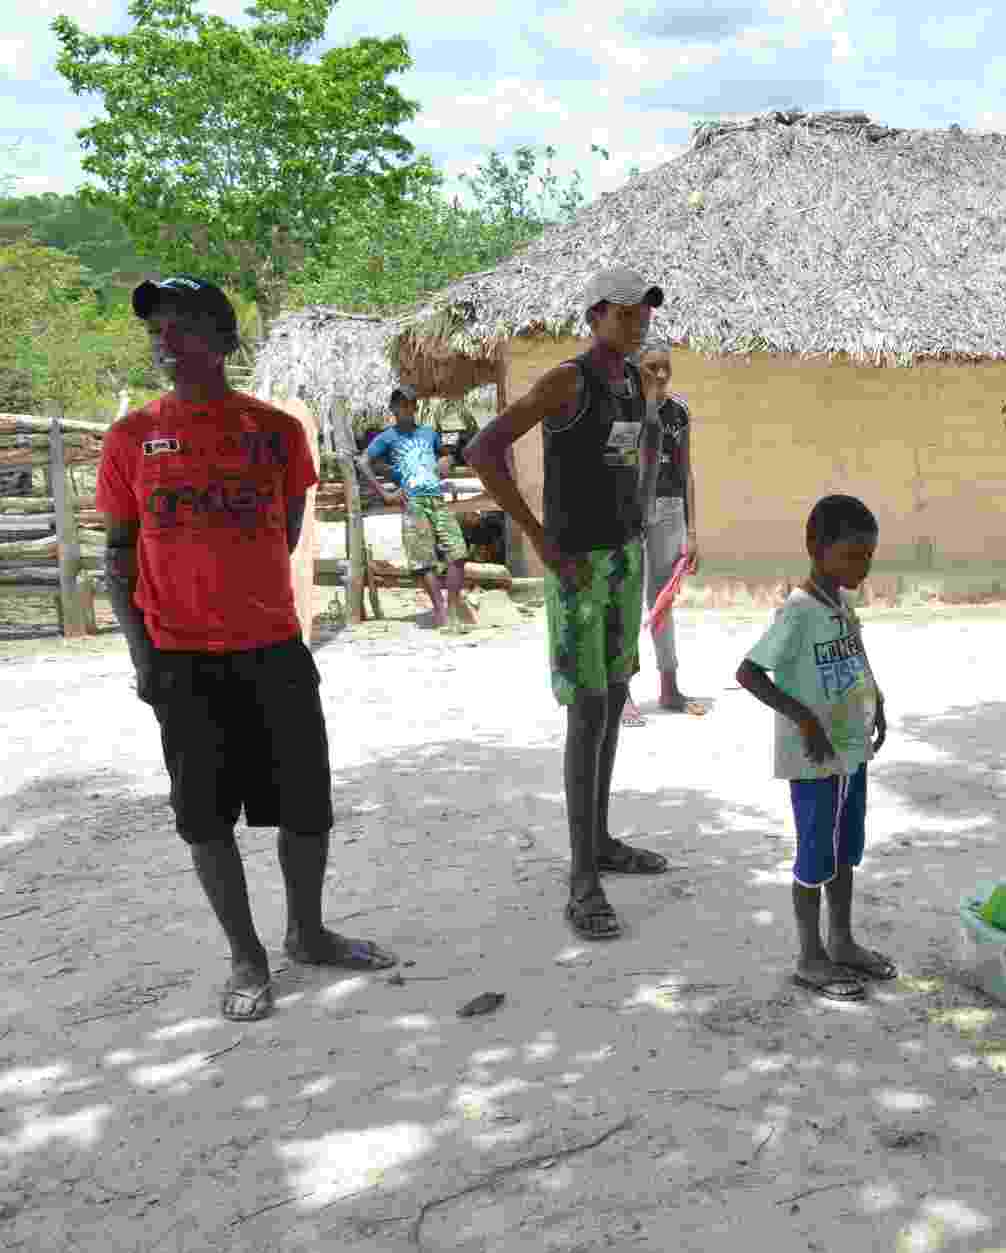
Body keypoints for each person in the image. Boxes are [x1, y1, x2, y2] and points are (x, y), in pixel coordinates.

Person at [97, 276, 396, 1022]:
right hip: (183, 661)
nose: (167, 340)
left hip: (272, 648)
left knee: (307, 808)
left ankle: (309, 931)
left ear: (225, 340)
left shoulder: (276, 432)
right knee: (204, 818)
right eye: (158, 328)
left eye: (186, 324)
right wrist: (144, 658)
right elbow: (117, 558)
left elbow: (286, 529)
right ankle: (247, 955)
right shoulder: (131, 439)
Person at [464, 268, 672, 942]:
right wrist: (535, 534)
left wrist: (638, 511)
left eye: (644, 310)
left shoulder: (636, 383)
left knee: (612, 698)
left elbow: (638, 454)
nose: (638, 320)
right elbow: (484, 448)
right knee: (586, 712)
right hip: (577, 565)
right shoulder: (568, 381)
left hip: (622, 558)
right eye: (625, 311)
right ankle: (583, 881)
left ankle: (604, 842)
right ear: (595, 314)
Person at [735, 495, 895, 1002]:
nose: (862, 566)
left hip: (851, 754)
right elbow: (748, 673)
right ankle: (809, 957)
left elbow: (857, 657)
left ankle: (841, 941)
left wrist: (879, 700)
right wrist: (804, 718)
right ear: (816, 549)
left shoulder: (842, 605)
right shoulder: (799, 611)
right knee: (814, 857)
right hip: (814, 762)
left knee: (844, 852)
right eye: (852, 555)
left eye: (868, 555)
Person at [620, 340, 705, 728]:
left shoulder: (680, 412)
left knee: (663, 601)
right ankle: (621, 693)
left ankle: (669, 686)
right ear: (636, 371)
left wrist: (693, 530)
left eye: (665, 367)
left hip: (670, 509)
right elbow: (615, 465)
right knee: (625, 601)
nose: (659, 375)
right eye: (651, 368)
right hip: (630, 513)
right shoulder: (624, 411)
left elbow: (686, 473)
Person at [358, 384, 474, 631]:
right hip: (413, 502)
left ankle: (452, 607)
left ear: (415, 407)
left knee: (458, 552)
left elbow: (446, 455)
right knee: (423, 560)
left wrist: (446, 461)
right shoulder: (387, 437)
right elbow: (363, 461)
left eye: (410, 404)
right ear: (393, 409)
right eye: (400, 404)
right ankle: (441, 612)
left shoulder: (429, 433)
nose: (406, 408)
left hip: (436, 499)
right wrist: (385, 493)